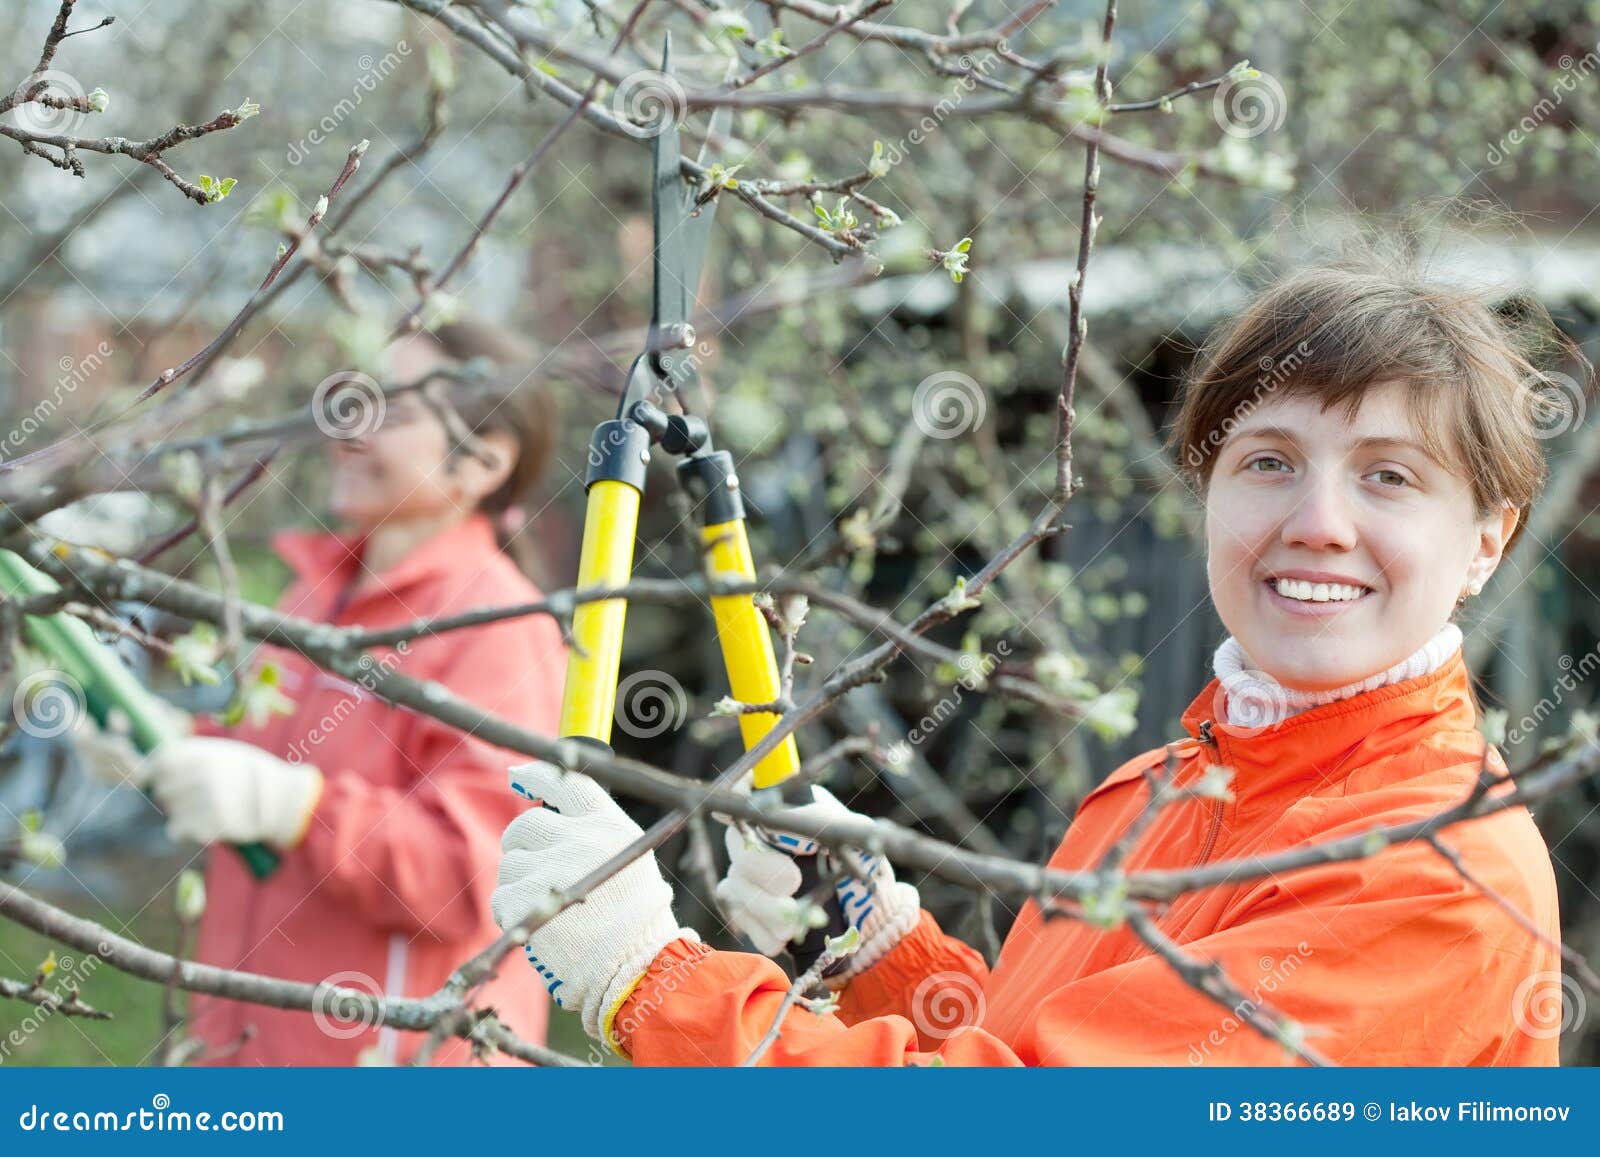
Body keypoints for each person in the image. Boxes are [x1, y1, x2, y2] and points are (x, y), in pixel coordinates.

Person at [489, 261, 1567, 1066]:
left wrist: (655, 981)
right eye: (1268, 462)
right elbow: (1033, 1051)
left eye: (1387, 476)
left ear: (1486, 538)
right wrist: (878, 948)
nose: (1317, 521)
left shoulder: (1435, 876)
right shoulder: (1166, 785)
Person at [82, 325, 568, 1065]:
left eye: (394, 412)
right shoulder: (318, 594)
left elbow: (477, 877)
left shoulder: (499, 628)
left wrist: (298, 806)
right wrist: (162, 749)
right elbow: (262, 757)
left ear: (483, 463)